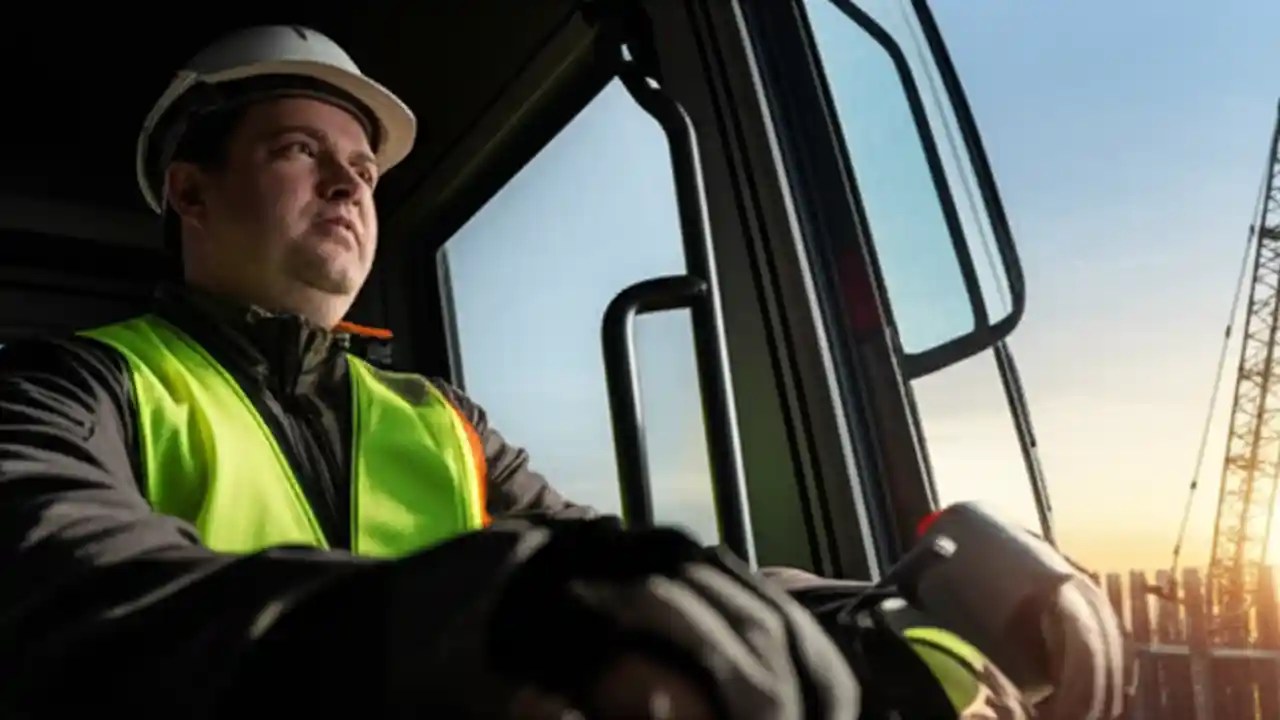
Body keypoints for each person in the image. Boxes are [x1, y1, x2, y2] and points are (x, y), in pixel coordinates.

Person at [0, 24, 1125, 720]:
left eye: (362, 170)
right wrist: (433, 631)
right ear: (190, 194)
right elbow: (47, 571)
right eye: (300, 153)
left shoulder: (439, 421)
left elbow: (625, 571)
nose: (348, 187)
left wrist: (888, 600)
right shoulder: (70, 386)